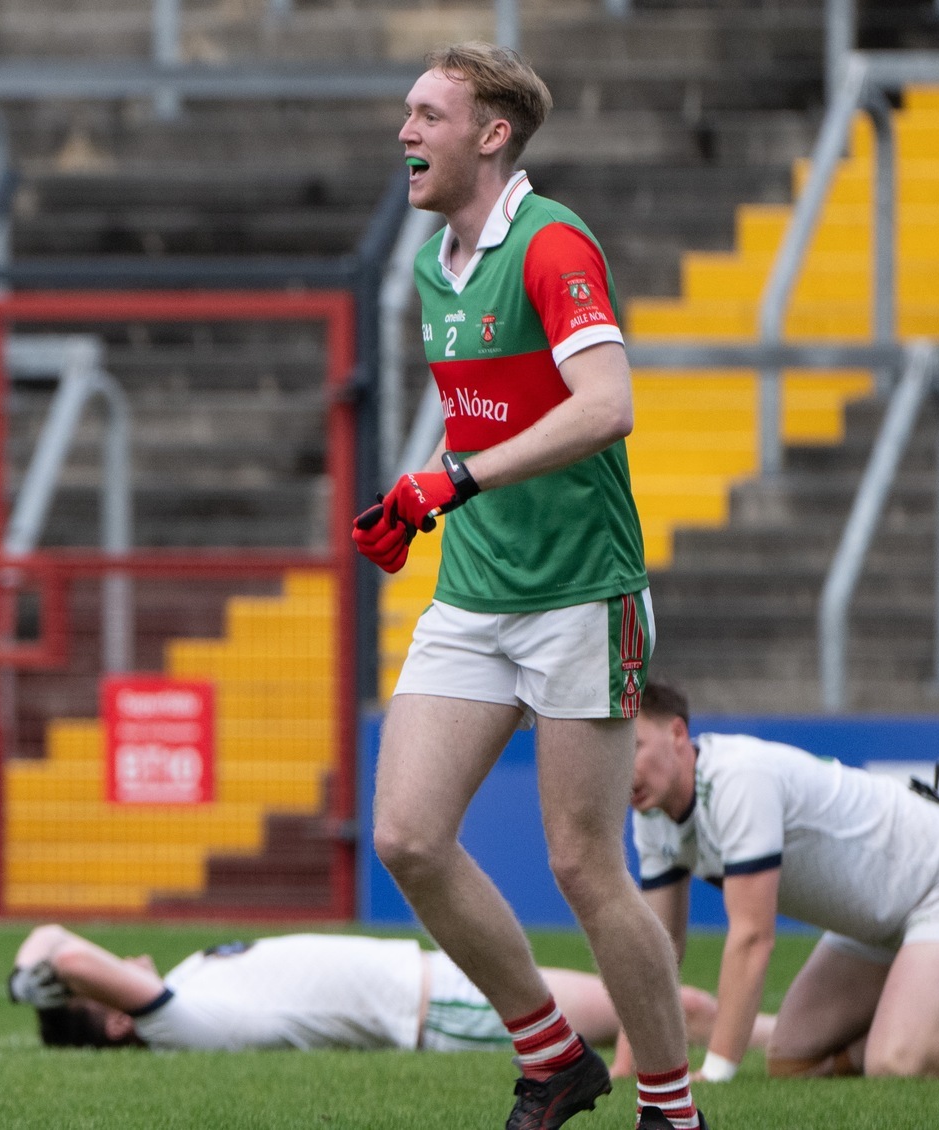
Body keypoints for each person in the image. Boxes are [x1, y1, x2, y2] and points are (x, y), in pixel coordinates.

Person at [357, 42, 702, 1130]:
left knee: (581, 861)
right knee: (406, 834)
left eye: (426, 114)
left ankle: (671, 1104)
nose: (404, 132)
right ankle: (551, 1054)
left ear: (489, 133)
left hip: (577, 594)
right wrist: (416, 503)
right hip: (474, 591)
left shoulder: (551, 243)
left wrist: (447, 478)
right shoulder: (430, 265)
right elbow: (487, 422)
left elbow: (605, 403)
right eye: (406, 114)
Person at [630, 681, 939, 1081]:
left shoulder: (736, 779)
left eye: (634, 746)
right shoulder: (652, 816)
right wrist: (627, 1065)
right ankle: (914, 1018)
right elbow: (658, 952)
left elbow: (753, 937)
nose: (621, 766)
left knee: (897, 1063)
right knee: (794, 1062)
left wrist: (718, 1070)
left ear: (676, 733)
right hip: (878, 918)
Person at [7, 924, 756, 1060]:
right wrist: (42, 981)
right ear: (113, 1025)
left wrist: (22, 981)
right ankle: (797, 1044)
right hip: (445, 1010)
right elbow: (66, 951)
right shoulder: (179, 1023)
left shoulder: (176, 989)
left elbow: (49, 938)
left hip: (439, 979)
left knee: (678, 1006)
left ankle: (812, 1045)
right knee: (674, 1008)